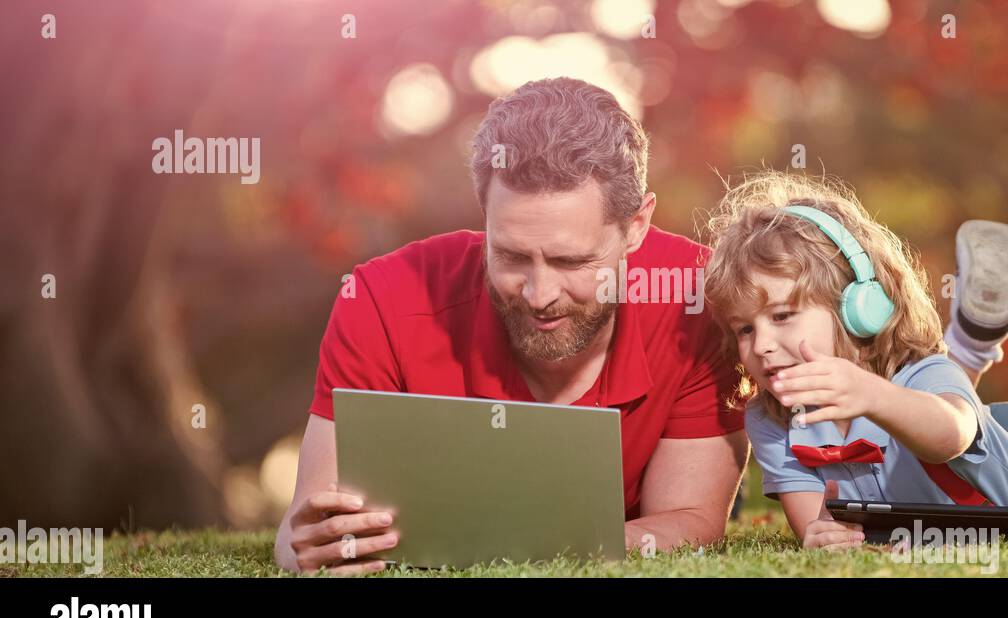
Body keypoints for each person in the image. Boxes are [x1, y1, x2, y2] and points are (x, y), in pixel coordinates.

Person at [275, 78, 749, 574]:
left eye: (572, 261)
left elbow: (688, 518)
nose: (539, 295)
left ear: (635, 227)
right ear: (485, 214)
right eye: (511, 255)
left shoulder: (699, 297)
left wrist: (539, 551)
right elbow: (300, 532)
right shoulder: (379, 299)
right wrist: (311, 547)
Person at [701, 170, 1008, 549]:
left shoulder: (924, 373)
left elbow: (952, 434)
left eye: (782, 316)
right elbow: (817, 522)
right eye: (745, 329)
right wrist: (824, 535)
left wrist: (871, 395)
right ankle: (976, 339)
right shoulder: (772, 417)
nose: (760, 345)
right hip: (980, 452)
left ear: (859, 305)